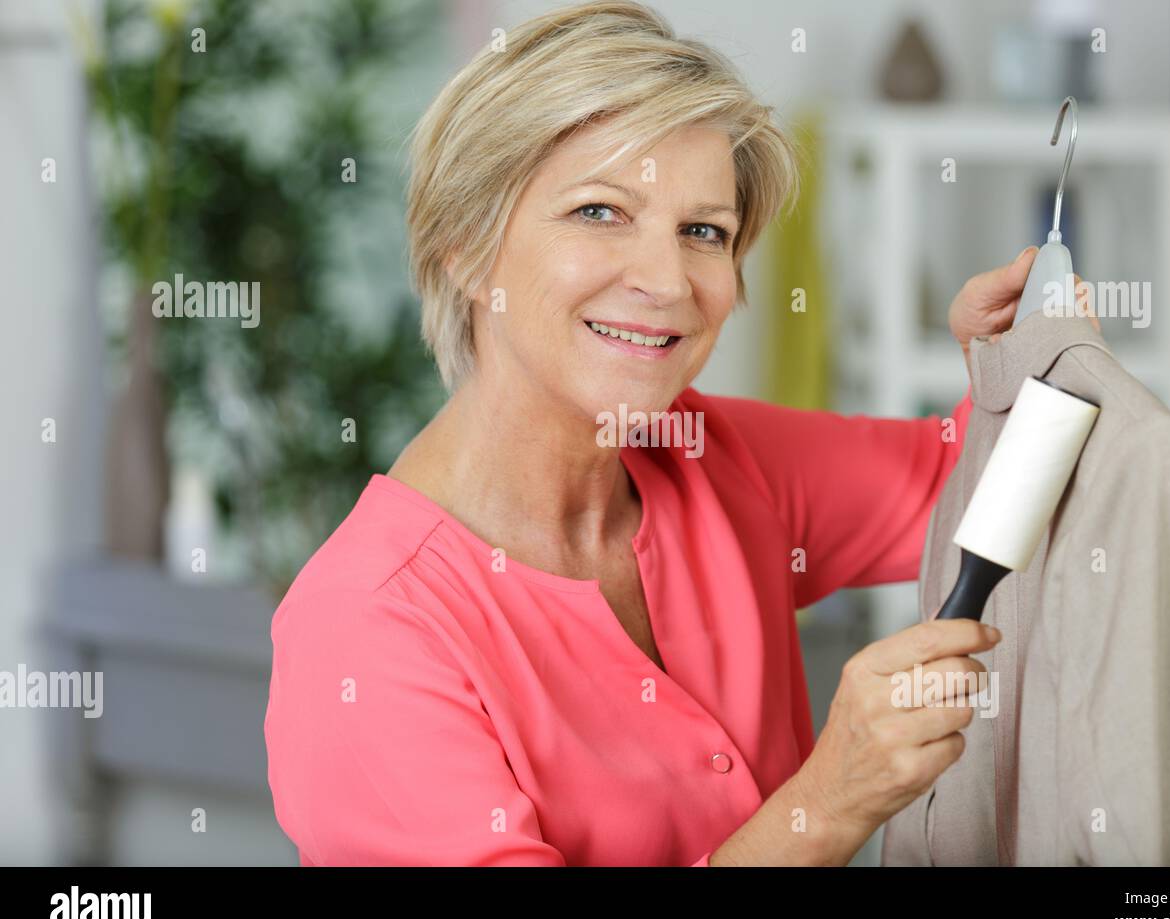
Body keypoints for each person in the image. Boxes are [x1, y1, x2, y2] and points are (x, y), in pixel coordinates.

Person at [264, 0, 1048, 866]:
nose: (667, 280)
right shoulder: (369, 632)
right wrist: (827, 804)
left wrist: (1016, 358)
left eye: (703, 232)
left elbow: (987, 477)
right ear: (464, 242)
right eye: (600, 211)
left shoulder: (714, 459)